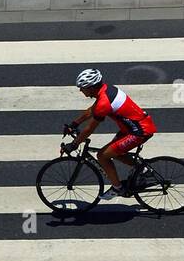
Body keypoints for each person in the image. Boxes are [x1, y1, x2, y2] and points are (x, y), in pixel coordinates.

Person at [64, 67, 157, 199]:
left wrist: (74, 144)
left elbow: (90, 128)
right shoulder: (106, 90)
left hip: (139, 131)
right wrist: (74, 124)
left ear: (91, 87)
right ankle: (143, 169)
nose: (81, 90)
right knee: (114, 152)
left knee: (102, 155)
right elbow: (92, 110)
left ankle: (117, 188)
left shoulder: (104, 102)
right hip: (132, 128)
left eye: (83, 87)